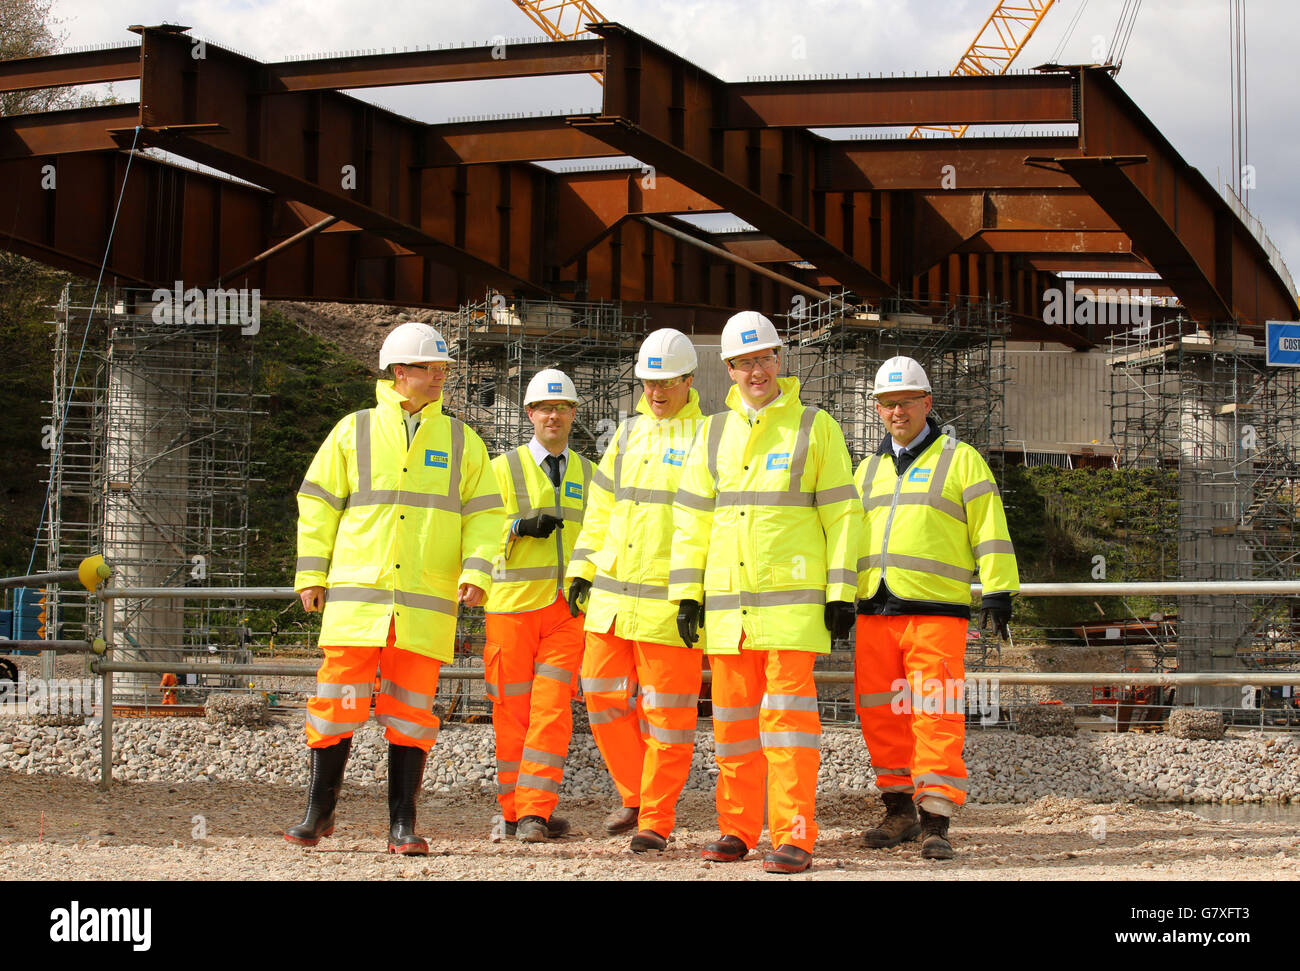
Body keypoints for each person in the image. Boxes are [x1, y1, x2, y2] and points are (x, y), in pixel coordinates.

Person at [287, 321, 502, 855]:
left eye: (443, 370)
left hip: (424, 606)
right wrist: (311, 573)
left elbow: (486, 516)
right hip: (358, 602)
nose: (440, 379)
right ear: (399, 372)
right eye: (431, 369)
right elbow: (317, 502)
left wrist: (476, 572)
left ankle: (402, 824)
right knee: (335, 703)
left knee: (411, 712)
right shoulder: (352, 431)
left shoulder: (461, 440)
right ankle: (319, 810)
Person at [669, 311, 860, 874]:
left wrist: (841, 590)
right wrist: (686, 593)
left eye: (765, 358)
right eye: (745, 362)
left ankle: (794, 835)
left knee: (789, 727)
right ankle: (736, 830)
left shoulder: (813, 426)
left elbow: (843, 513)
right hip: (729, 614)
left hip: (792, 613)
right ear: (727, 369)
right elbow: (691, 518)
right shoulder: (712, 433)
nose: (757, 370)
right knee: (731, 728)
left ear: (779, 360)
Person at [853, 356, 1018, 860]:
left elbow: (988, 525)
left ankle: (935, 819)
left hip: (936, 613)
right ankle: (898, 809)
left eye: (905, 401)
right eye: (886, 402)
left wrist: (999, 589)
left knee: (936, 711)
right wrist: (835, 595)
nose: (896, 410)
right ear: (877, 408)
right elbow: (843, 539)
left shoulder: (961, 459)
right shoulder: (866, 469)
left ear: (927, 402)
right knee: (880, 713)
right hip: (874, 610)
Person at [566, 329, 708, 853]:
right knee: (600, 694)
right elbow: (601, 508)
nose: (655, 391)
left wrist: (697, 592)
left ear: (689, 380)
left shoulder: (709, 439)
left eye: (666, 382)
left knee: (668, 716)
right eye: (648, 382)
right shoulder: (626, 435)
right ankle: (635, 789)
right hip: (611, 600)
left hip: (671, 607)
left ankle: (655, 817)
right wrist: (582, 567)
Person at [483, 369, 593, 843]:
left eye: (563, 407)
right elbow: (475, 531)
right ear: (530, 414)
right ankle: (512, 811)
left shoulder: (590, 473)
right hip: (511, 608)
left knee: (552, 711)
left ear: (573, 414)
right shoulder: (500, 469)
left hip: (566, 611)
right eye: (545, 408)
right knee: (513, 711)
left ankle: (534, 813)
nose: (554, 415)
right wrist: (515, 528)